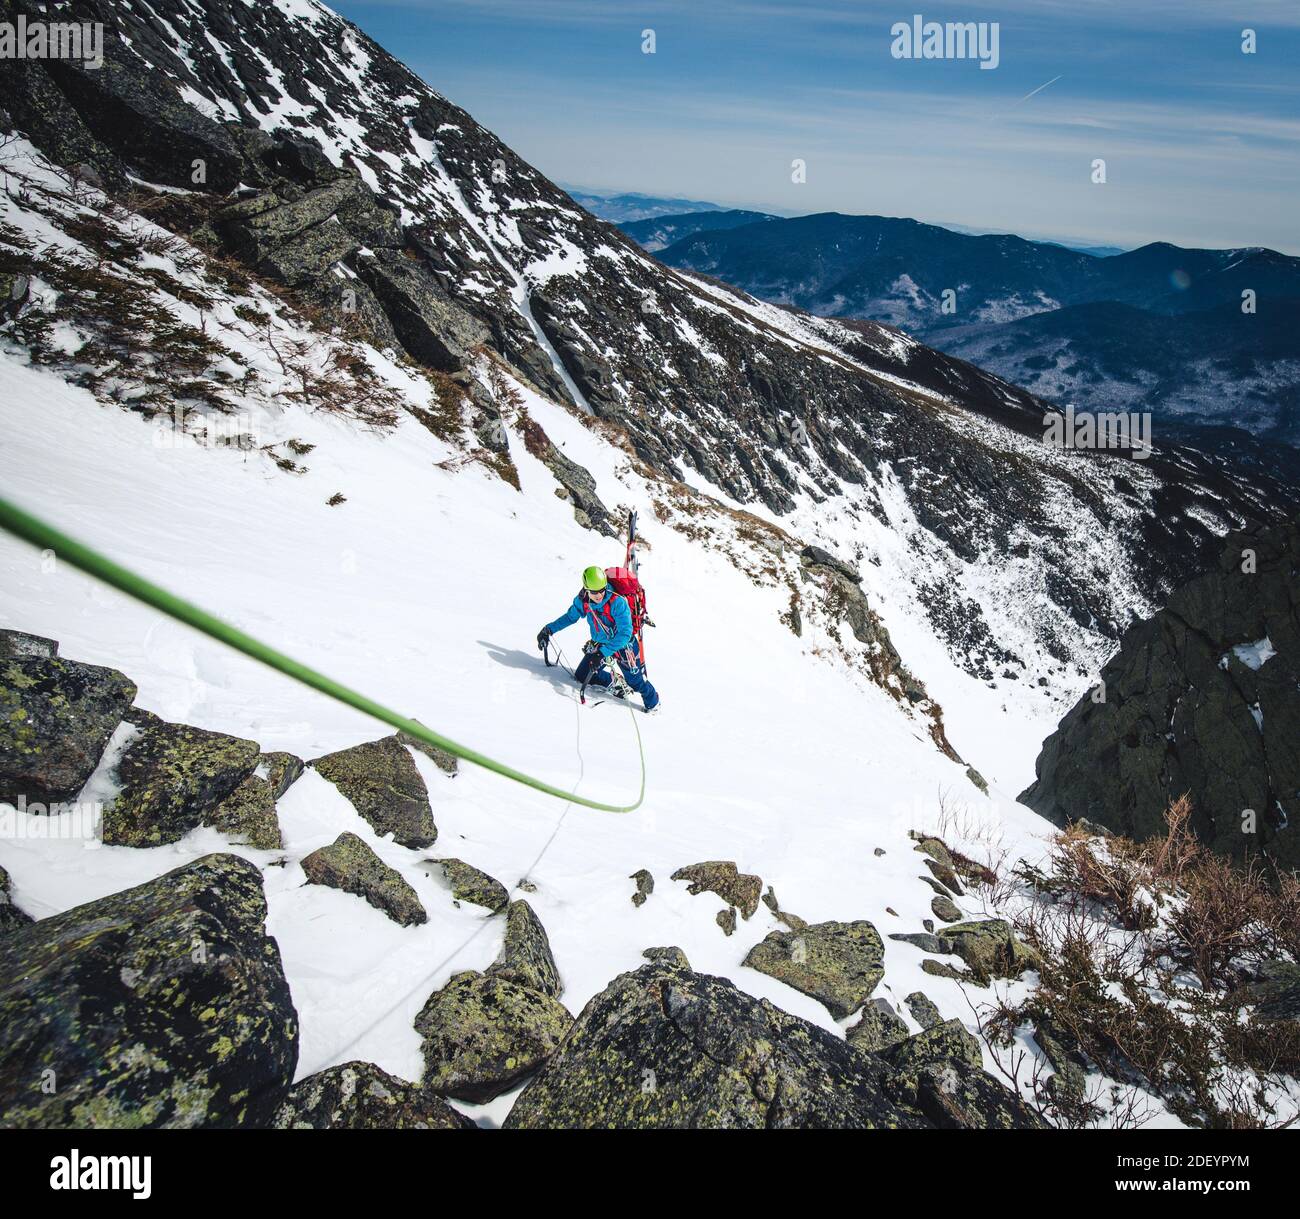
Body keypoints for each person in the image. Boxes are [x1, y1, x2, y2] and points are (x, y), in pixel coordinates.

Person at [537, 566, 660, 712]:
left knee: (636, 682)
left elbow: (625, 633)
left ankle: (653, 703)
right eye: (594, 592)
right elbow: (570, 617)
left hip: (623, 646)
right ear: (586, 589)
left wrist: (602, 653)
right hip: (600, 643)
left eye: (602, 590)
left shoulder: (617, 601)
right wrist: (548, 629)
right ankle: (616, 683)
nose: (599, 595)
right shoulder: (583, 601)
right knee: (583, 675)